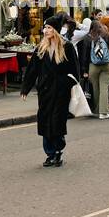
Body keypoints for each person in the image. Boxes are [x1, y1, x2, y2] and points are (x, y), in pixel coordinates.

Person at [19, 24, 79, 167]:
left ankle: (58, 151)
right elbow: (32, 69)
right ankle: (49, 153)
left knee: (57, 121)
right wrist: (25, 89)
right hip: (45, 91)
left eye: (50, 28)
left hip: (60, 93)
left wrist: (65, 84)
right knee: (45, 120)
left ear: (56, 30)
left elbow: (75, 70)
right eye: (45, 28)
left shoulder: (67, 47)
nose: (46, 31)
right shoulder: (41, 48)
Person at [86, 19, 109, 119]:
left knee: (95, 88)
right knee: (104, 88)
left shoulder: (88, 38)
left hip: (93, 66)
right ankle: (104, 112)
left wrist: (84, 70)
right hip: (106, 64)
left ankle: (96, 111)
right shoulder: (107, 36)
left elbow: (84, 56)